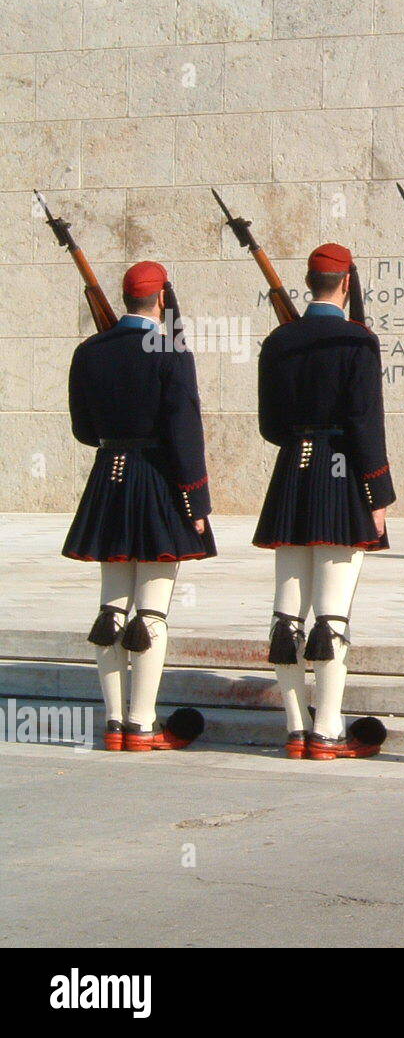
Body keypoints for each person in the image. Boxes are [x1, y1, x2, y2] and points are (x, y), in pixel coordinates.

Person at [63, 261, 212, 751]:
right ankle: (143, 724)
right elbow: (184, 430)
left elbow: (84, 431)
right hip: (157, 480)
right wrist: (196, 498)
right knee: (151, 611)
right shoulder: (170, 349)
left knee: (111, 607)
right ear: (162, 298)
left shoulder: (89, 352)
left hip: (109, 477)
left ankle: (113, 722)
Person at [254, 243, 393, 760]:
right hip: (341, 476)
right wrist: (377, 491)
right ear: (347, 283)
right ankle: (327, 729)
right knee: (331, 615)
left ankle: (295, 727)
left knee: (287, 614)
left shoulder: (279, 339)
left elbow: (270, 426)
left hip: (293, 472)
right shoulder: (357, 341)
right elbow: (364, 422)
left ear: (309, 282)